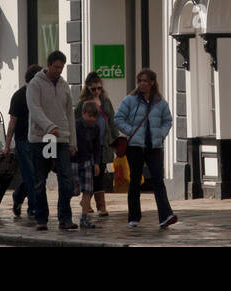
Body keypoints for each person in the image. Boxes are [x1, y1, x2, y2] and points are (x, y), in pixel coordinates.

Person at [114, 68, 177, 229]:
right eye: (140, 80)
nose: (142, 84)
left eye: (145, 81)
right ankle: (133, 217)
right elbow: (118, 118)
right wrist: (130, 132)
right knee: (135, 180)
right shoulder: (130, 100)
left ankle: (165, 216)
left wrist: (160, 135)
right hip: (135, 146)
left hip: (154, 146)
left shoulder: (160, 102)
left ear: (152, 83)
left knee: (158, 180)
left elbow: (167, 120)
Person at [25, 50, 77, 232]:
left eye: (61, 67)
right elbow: (35, 108)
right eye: (56, 67)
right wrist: (49, 127)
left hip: (61, 138)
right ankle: (41, 218)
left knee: (66, 179)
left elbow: (70, 113)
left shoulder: (64, 85)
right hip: (42, 138)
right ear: (48, 65)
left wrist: (72, 142)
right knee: (40, 180)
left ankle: (65, 218)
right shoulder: (35, 84)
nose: (59, 71)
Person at [75, 72, 120, 218]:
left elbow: (112, 120)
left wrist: (116, 139)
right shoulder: (83, 103)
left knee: (99, 174)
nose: (97, 91)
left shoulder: (105, 101)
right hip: (88, 145)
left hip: (103, 143)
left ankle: (96, 205)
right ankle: (91, 205)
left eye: (99, 88)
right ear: (87, 88)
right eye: (93, 89)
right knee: (91, 175)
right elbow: (76, 122)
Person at [6, 64, 42, 222]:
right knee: (31, 174)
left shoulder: (41, 95)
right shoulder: (19, 96)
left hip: (39, 140)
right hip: (23, 140)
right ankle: (33, 208)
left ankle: (18, 195)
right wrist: (7, 145)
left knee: (36, 174)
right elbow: (12, 123)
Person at [74, 100, 103, 229]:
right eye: (90, 116)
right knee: (71, 190)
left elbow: (97, 147)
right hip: (73, 161)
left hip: (87, 161)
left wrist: (96, 163)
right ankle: (64, 215)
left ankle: (84, 218)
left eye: (94, 117)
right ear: (83, 114)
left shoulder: (96, 128)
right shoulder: (76, 125)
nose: (92, 119)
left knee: (87, 190)